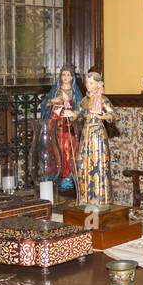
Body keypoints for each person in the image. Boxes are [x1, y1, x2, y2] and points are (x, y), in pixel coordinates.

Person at [70, 69, 115, 208]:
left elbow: (114, 115)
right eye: (87, 83)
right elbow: (81, 115)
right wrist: (72, 114)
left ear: (98, 84)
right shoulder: (84, 100)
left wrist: (103, 116)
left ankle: (100, 199)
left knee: (98, 164)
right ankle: (86, 198)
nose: (88, 86)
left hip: (97, 135)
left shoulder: (102, 99)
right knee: (83, 164)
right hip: (86, 134)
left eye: (91, 83)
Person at [42, 64, 82, 190]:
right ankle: (54, 174)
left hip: (68, 124)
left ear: (72, 77)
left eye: (68, 75)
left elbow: (80, 108)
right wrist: (53, 101)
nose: (65, 77)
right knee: (54, 147)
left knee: (67, 148)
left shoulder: (75, 92)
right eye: (63, 74)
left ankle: (67, 176)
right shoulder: (56, 90)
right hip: (55, 122)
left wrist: (72, 111)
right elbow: (45, 103)